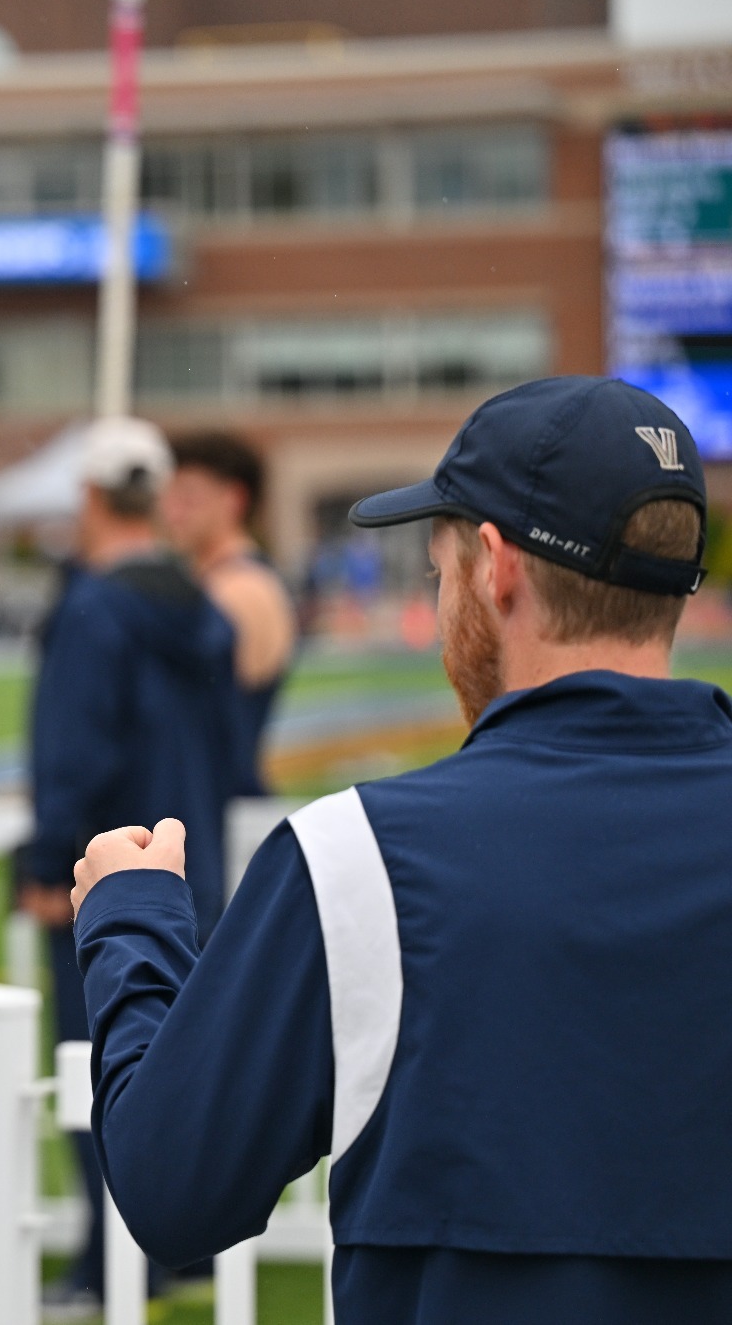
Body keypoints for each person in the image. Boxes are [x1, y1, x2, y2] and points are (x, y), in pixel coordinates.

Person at [67, 376, 732, 1323]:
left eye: (440, 572)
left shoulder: (356, 855)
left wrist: (131, 919)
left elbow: (174, 1188)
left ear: (496, 567)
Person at [14, 415, 242, 1317]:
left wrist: (45, 863)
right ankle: (180, 1245)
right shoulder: (205, 606)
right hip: (195, 868)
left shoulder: (95, 608)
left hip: (104, 876)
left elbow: (74, 751)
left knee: (95, 1062)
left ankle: (114, 1259)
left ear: (90, 497)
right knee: (182, 1065)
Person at [162, 434, 297, 795]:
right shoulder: (216, 581)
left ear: (234, 499)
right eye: (169, 497)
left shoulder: (240, 590)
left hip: (223, 804)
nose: (172, 512)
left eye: (189, 498)